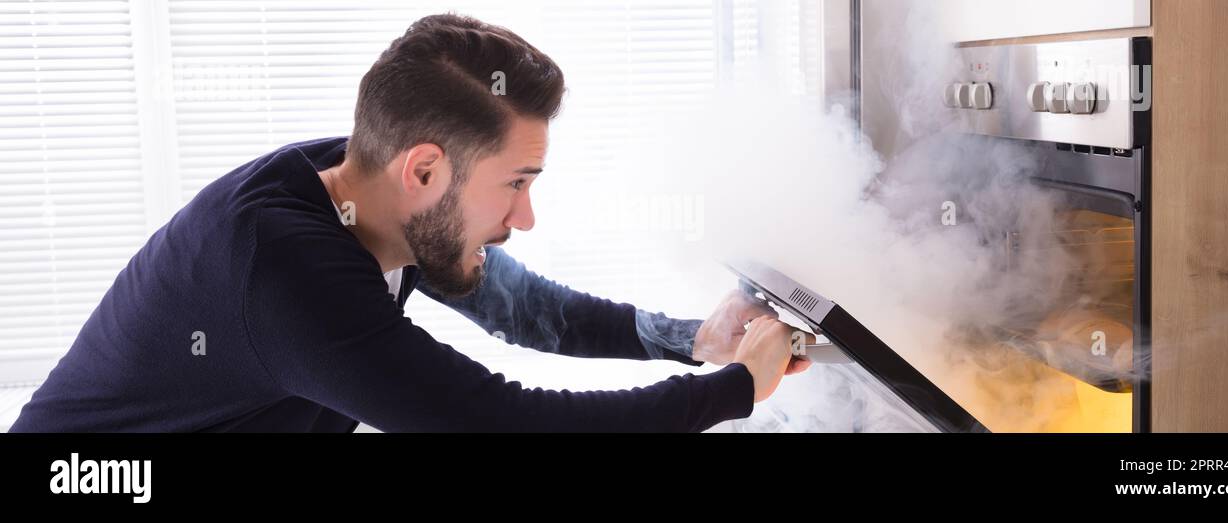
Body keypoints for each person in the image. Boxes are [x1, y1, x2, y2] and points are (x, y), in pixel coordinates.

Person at [10, 13, 809, 433]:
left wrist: (694, 339)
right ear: (424, 169)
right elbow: (501, 423)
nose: (523, 219)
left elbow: (526, 310)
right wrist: (740, 388)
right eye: (516, 184)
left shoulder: (364, 184)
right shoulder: (284, 272)